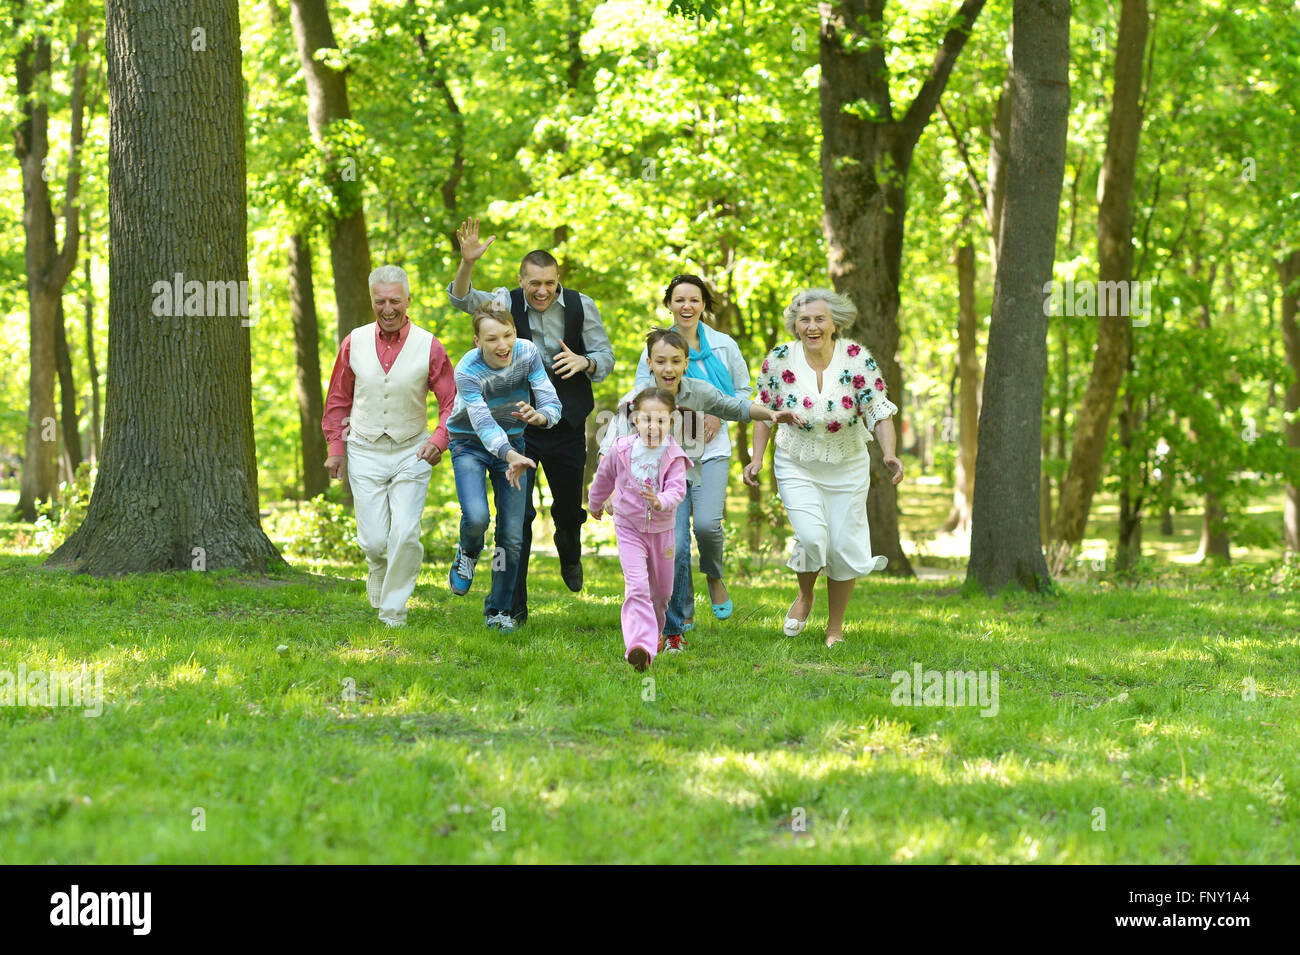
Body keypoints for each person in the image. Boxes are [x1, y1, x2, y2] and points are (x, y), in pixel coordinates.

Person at [448, 218, 615, 626]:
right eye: (534, 283)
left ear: (558, 281)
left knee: (566, 509)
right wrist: (467, 263)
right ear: (521, 281)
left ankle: (569, 549)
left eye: (550, 283)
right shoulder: (505, 303)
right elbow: (463, 301)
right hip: (516, 428)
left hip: (567, 422)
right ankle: (510, 610)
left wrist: (585, 361)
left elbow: (606, 358)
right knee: (516, 520)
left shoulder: (580, 305)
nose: (542, 291)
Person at [603, 327, 806, 651]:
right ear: (650, 364)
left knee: (695, 536)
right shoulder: (637, 400)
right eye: (660, 361)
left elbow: (735, 407)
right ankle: (665, 625)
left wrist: (769, 413)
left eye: (675, 361)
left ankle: (673, 631)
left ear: (686, 363)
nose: (668, 368)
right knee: (678, 547)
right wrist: (610, 489)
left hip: (683, 476)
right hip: (650, 488)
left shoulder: (700, 391)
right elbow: (612, 444)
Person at [742, 289, 903, 647]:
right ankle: (804, 595)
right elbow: (764, 413)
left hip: (847, 464)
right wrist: (756, 458)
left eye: (819, 319)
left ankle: (835, 628)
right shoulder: (780, 360)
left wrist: (889, 452)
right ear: (795, 325)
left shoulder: (857, 359)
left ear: (834, 324)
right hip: (796, 461)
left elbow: (879, 410)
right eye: (804, 320)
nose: (811, 326)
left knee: (844, 545)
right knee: (812, 537)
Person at [322, 265, 456, 628]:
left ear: (408, 300)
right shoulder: (354, 341)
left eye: (395, 300)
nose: (388, 308)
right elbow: (338, 398)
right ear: (372, 301)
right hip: (363, 449)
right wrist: (336, 447)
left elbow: (450, 402)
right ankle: (376, 566)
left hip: (411, 450)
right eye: (380, 301)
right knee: (372, 540)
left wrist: (438, 440)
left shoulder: (429, 346)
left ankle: (393, 611)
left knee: (406, 532)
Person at [634, 274, 750, 633]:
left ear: (704, 305)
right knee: (678, 542)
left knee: (707, 527)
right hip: (669, 457)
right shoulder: (656, 348)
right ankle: (681, 616)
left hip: (712, 451)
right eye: (679, 299)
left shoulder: (723, 346)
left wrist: (716, 414)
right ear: (669, 304)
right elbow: (640, 394)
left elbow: (743, 390)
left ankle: (714, 575)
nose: (686, 306)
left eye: (694, 300)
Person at [445, 299, 560, 633]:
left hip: (515, 445)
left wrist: (542, 417)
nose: (502, 345)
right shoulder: (467, 370)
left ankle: (499, 609)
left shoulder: (527, 353)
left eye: (507, 335)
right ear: (477, 342)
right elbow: (481, 423)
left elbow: (550, 398)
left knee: (510, 536)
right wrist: (510, 455)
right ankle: (468, 550)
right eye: (492, 339)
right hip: (469, 444)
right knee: (478, 517)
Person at [588, 387, 691, 672]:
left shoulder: (673, 455)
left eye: (660, 420)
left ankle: (654, 633)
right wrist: (595, 502)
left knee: (661, 595)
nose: (653, 426)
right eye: (647, 419)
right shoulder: (621, 449)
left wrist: (661, 501)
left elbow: (677, 489)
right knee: (637, 588)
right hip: (628, 527)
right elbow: (603, 478)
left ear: (671, 421)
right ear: (635, 419)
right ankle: (640, 647)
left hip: (662, 532)